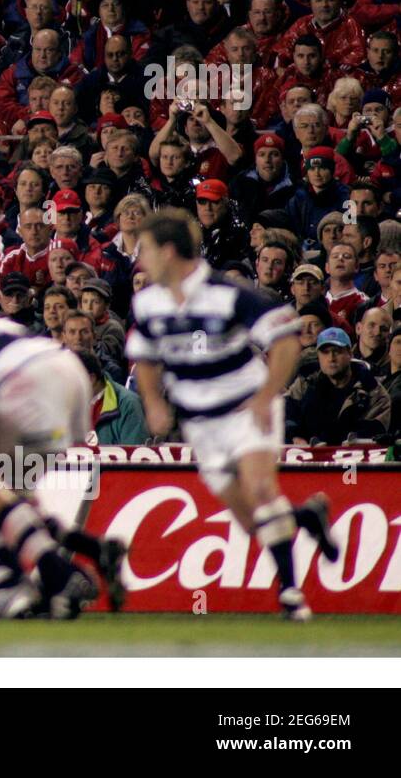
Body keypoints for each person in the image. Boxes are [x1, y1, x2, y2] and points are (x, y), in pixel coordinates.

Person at [128, 209, 341, 621]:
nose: (142, 261)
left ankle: (291, 594)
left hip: (246, 407)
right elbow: (147, 357)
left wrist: (265, 395)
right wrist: (154, 404)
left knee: (262, 490)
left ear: (169, 252)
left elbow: (286, 341)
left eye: (147, 252)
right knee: (249, 521)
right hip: (200, 423)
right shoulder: (148, 302)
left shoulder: (229, 293)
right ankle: (306, 517)